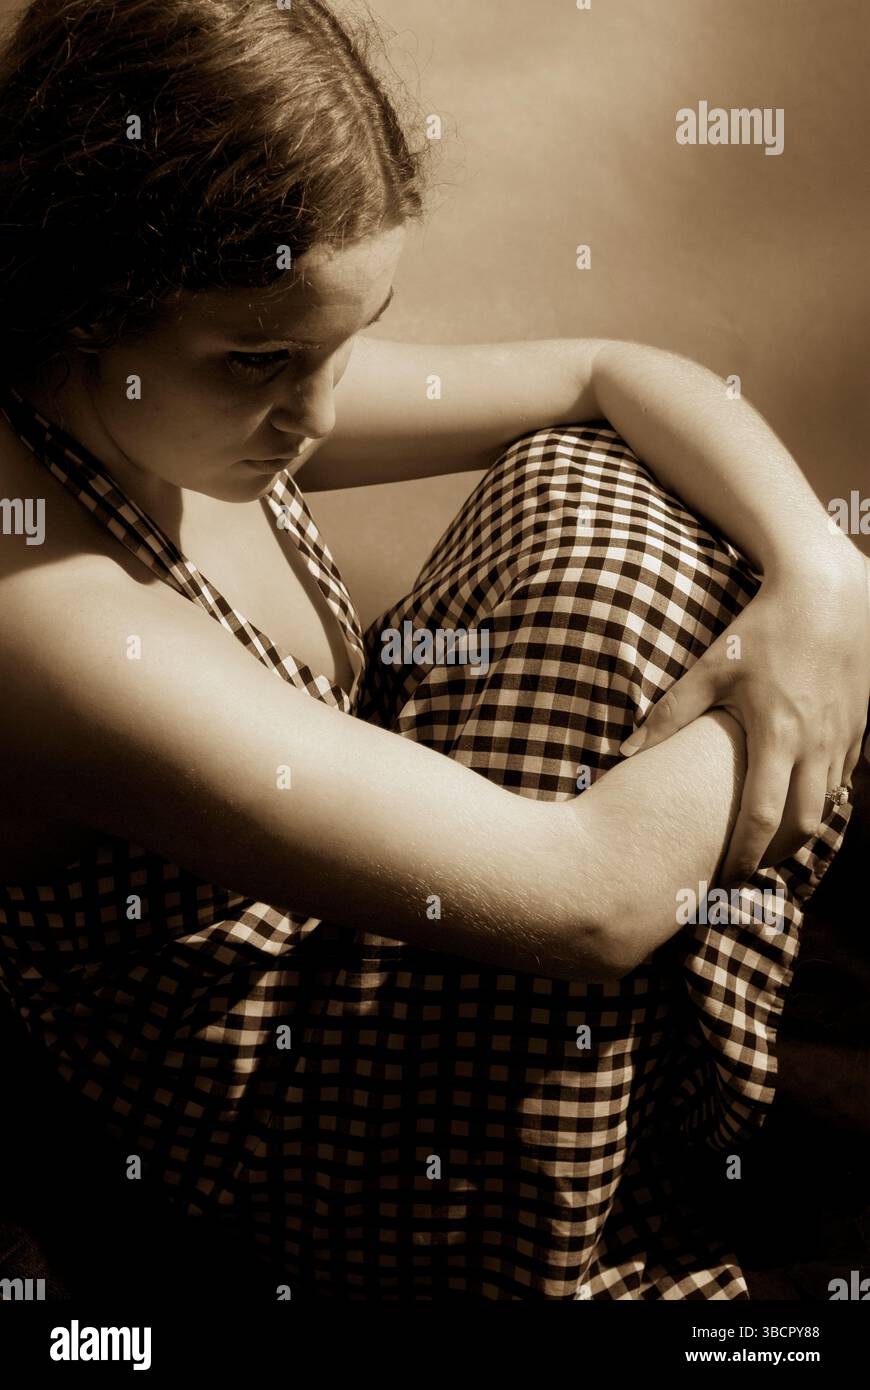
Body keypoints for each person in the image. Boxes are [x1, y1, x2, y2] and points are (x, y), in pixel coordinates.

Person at [0, 0, 867, 1298]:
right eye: (262, 358)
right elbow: (588, 899)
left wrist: (818, 571)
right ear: (79, 299)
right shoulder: (43, 607)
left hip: (378, 940)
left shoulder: (193, 405)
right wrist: (794, 672)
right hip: (307, 1138)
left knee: (595, 474)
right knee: (636, 555)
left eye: (353, 336)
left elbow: (605, 370)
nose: (321, 409)